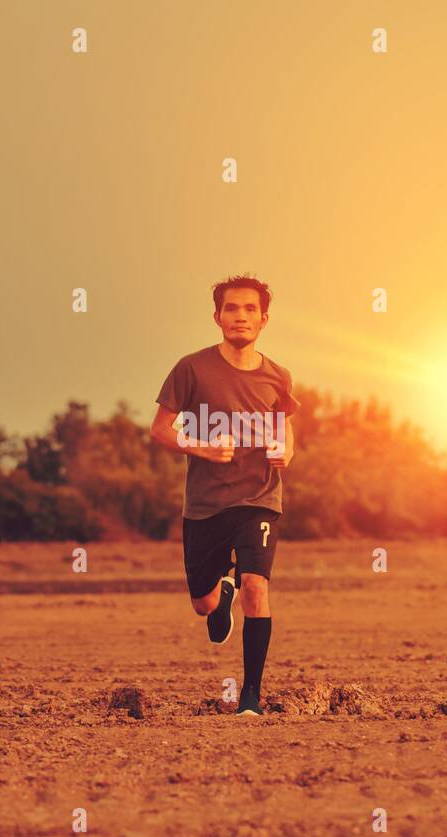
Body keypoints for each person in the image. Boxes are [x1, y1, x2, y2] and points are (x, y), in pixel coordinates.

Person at [149, 275, 300, 716]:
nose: (241, 316)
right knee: (203, 603)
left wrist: (285, 451)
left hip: (260, 498)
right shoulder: (191, 369)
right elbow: (160, 429)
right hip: (205, 505)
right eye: (232, 309)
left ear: (264, 319)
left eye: (250, 309)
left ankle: (250, 695)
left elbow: (285, 426)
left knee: (258, 584)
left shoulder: (278, 376)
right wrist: (202, 447)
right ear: (217, 317)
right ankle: (222, 594)